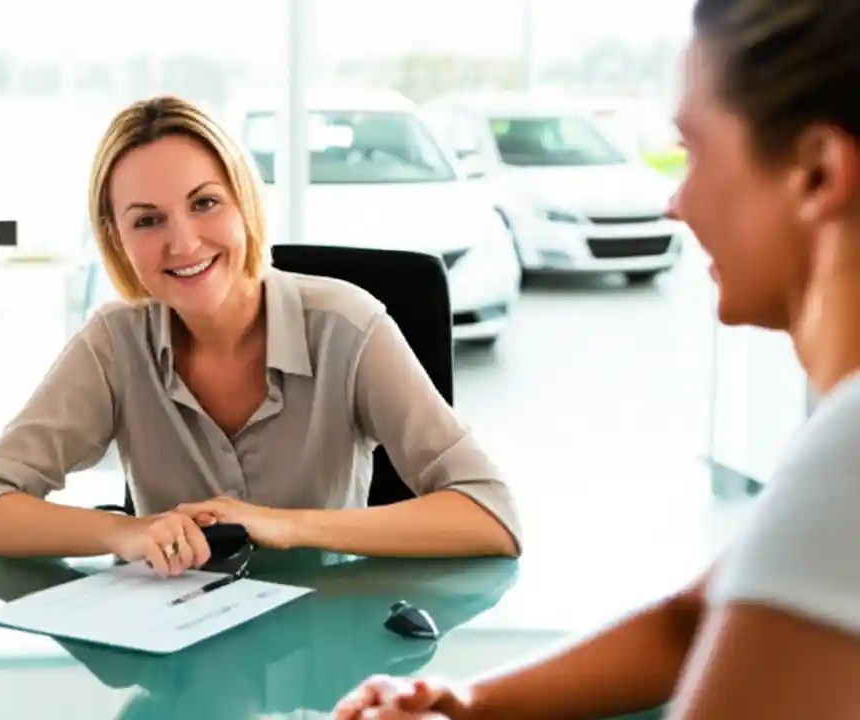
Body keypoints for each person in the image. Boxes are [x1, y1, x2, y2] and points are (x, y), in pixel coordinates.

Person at [335, 0, 860, 718]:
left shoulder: (850, 452)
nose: (675, 203)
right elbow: (690, 624)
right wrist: (467, 701)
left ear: (816, 173)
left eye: (696, 151)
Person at [0, 96, 521, 575]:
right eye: (148, 220)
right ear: (116, 237)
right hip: (175, 646)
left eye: (205, 204)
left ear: (244, 202)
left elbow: (489, 514)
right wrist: (125, 533)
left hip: (326, 641)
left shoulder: (349, 327)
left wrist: (288, 525)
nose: (185, 243)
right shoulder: (112, 346)